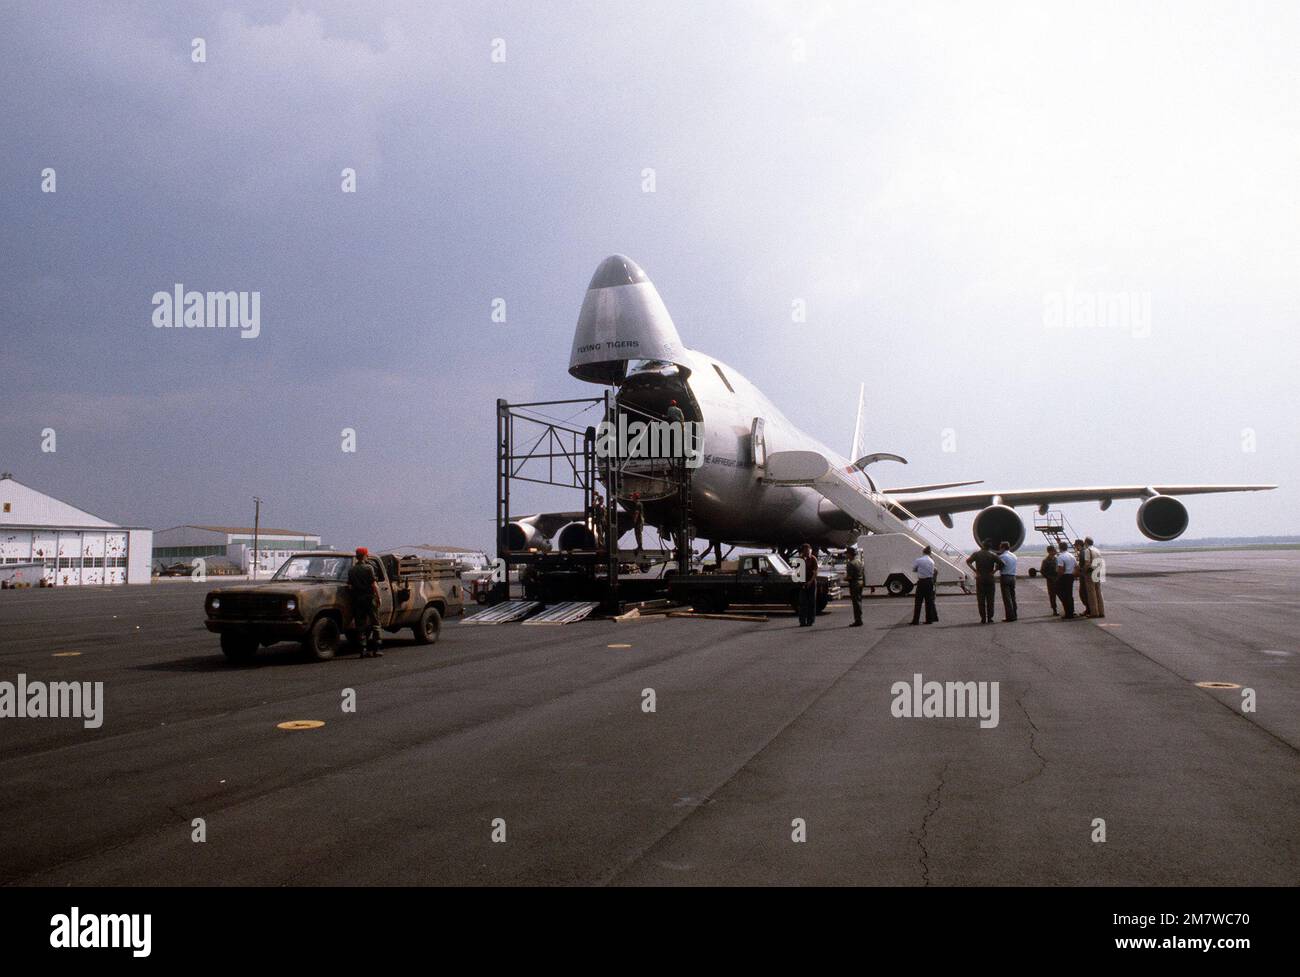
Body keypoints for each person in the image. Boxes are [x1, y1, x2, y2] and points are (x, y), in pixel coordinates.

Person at [348, 547, 383, 658]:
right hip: (369, 599)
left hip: (358, 600)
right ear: (364, 556)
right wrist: (379, 597)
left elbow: (350, 586)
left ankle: (363, 650)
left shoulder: (352, 570)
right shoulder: (369, 568)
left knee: (360, 625)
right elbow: (374, 584)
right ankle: (377, 649)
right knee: (375, 624)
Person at [965, 539, 1000, 624]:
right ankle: (990, 618)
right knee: (990, 600)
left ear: (982, 545)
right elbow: (1002, 564)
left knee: (981, 600)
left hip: (980, 578)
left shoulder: (977, 554)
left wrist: (976, 571)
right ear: (990, 547)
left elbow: (968, 561)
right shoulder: (993, 555)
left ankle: (983, 618)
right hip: (990, 578)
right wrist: (994, 571)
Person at [911, 545, 939, 625]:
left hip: (921, 581)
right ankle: (929, 620)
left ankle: (915, 620)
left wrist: (920, 570)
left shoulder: (919, 560)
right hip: (929, 581)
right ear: (930, 553)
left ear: (923, 552)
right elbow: (934, 571)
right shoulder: (932, 561)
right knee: (929, 601)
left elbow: (914, 569)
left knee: (918, 601)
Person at [797, 543, 818, 627]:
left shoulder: (813, 559)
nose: (807, 552)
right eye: (805, 550)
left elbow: (815, 572)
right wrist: (801, 581)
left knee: (811, 602)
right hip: (802, 582)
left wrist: (810, 582)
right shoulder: (799, 559)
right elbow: (796, 571)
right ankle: (802, 621)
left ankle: (810, 621)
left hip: (811, 582)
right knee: (802, 602)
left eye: (808, 550)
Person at [996, 541, 1018, 621]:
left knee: (1007, 598)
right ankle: (1014, 614)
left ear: (1003, 548)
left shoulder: (1002, 556)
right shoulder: (1014, 556)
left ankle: (1009, 616)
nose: (999, 549)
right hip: (1013, 577)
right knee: (1013, 597)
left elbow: (999, 566)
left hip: (1005, 577)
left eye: (1000, 547)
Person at [1056, 542, 1078, 619]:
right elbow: (1076, 567)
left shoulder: (1060, 557)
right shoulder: (1071, 556)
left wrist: (1057, 578)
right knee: (1069, 594)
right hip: (1071, 576)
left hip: (1064, 577)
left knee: (1063, 594)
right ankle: (1071, 612)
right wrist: (1073, 574)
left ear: (1060, 548)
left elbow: (1061, 570)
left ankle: (1068, 612)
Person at [1085, 536, 1105, 618]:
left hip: (1091, 571)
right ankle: (1101, 611)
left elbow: (1087, 563)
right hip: (1098, 571)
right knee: (1098, 592)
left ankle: (1094, 612)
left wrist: (1084, 571)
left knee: (1091, 593)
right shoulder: (1097, 550)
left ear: (1086, 542)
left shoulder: (1087, 550)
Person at [845, 544, 865, 627]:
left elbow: (849, 577)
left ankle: (858, 620)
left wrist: (844, 579)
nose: (846, 555)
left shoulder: (850, 564)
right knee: (859, 601)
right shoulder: (859, 562)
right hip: (860, 582)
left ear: (850, 554)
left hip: (854, 584)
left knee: (855, 603)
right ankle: (859, 619)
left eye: (847, 553)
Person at [1074, 539, 1093, 616]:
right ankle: (1088, 609)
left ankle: (1088, 609)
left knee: (1083, 593)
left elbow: (1084, 565)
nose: (1075, 547)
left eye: (1076, 546)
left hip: (1084, 575)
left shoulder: (1082, 553)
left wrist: (1080, 571)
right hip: (1087, 575)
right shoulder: (1085, 551)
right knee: (1085, 593)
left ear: (1079, 545)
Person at [1039, 545, 1059, 615]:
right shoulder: (1045, 561)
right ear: (1050, 551)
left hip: (1057, 579)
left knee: (1061, 594)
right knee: (1052, 596)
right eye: (1054, 550)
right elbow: (1042, 571)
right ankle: (1054, 609)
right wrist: (1049, 578)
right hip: (1051, 580)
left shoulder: (1057, 559)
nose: (1055, 551)